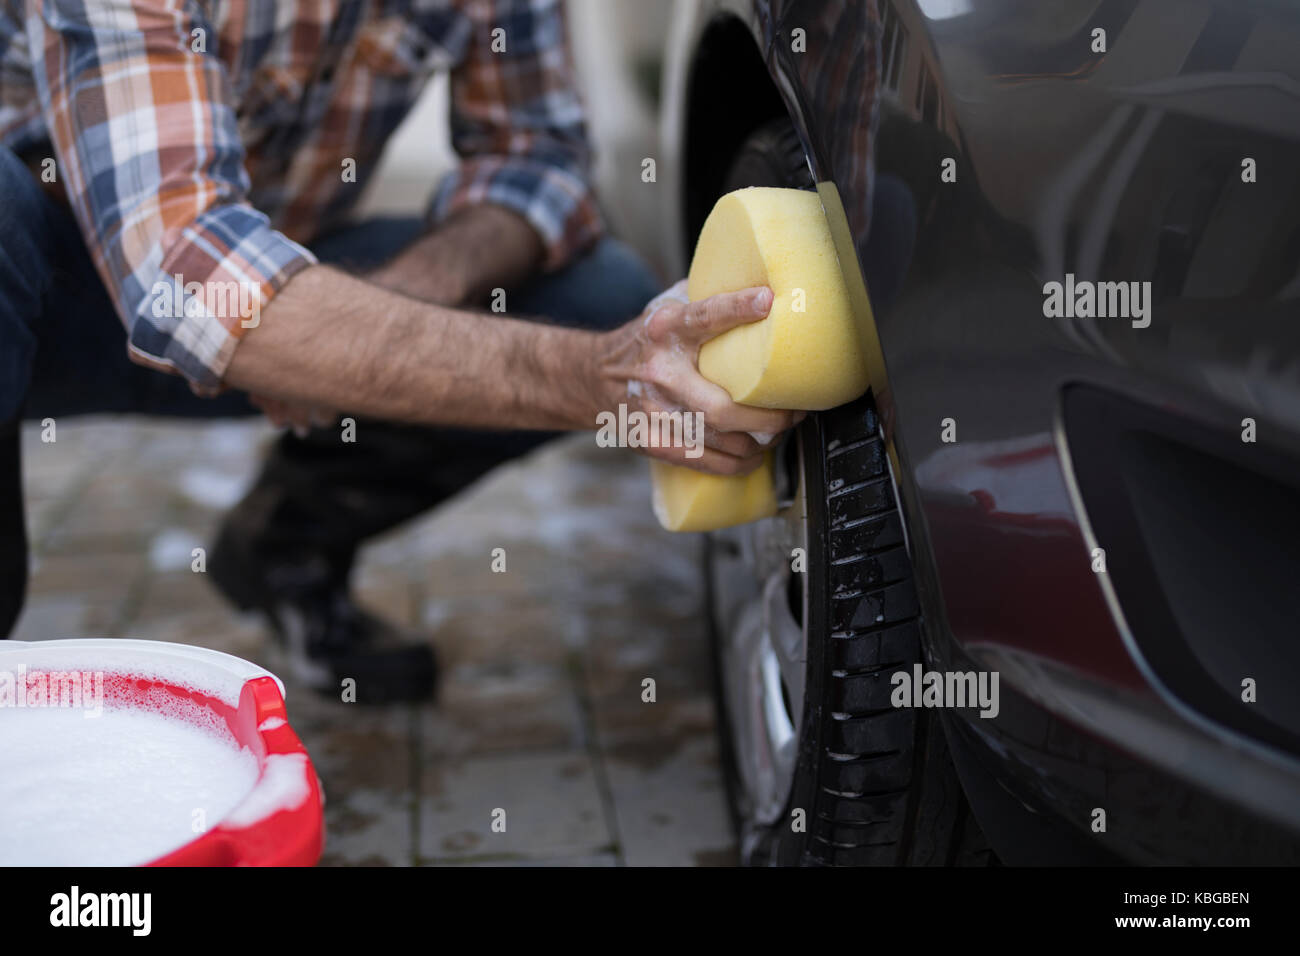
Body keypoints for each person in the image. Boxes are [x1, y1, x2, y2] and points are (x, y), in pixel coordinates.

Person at [0, 0, 796, 702]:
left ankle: (287, 541)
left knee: (596, 297)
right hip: (45, 307)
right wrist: (589, 379)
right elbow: (185, 271)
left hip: (263, 287)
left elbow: (539, 165)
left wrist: (408, 294)